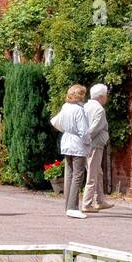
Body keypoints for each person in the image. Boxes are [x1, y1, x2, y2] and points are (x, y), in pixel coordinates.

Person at [51, 84, 90, 219]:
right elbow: (83, 131)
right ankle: (72, 207)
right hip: (77, 143)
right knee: (78, 175)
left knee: (69, 174)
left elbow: (57, 122)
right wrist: (88, 143)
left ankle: (68, 205)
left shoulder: (65, 107)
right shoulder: (79, 110)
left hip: (66, 141)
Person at [81, 83, 112, 212]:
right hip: (94, 144)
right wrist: (86, 139)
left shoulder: (85, 106)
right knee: (92, 174)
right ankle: (87, 203)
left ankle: (100, 200)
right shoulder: (99, 109)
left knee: (98, 173)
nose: (107, 98)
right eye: (105, 95)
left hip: (87, 144)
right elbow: (95, 128)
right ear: (101, 96)